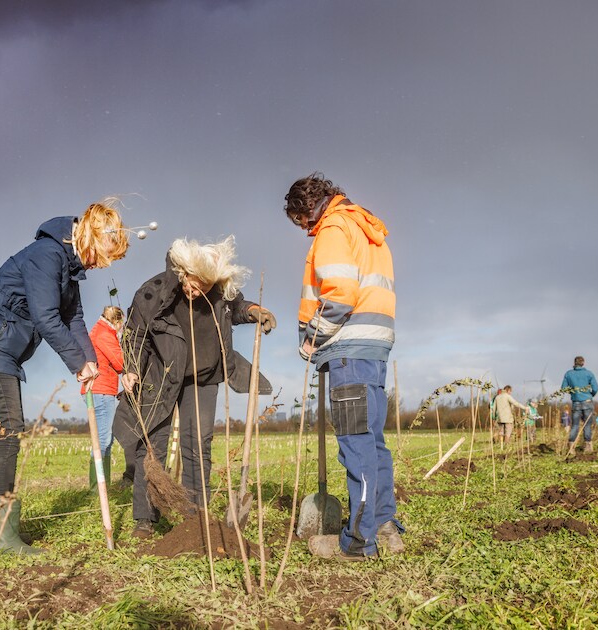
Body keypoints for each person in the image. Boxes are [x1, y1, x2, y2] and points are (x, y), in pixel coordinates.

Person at [0, 201, 130, 554]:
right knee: (8, 433)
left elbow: (73, 317)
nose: (98, 265)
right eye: (102, 256)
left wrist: (91, 362)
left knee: (9, 432)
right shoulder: (47, 255)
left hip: (2, 349)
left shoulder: (69, 263)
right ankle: (0, 534)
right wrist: (77, 364)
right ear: (91, 235)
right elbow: (47, 318)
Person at [112, 236, 275, 539]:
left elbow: (237, 305)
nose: (194, 290)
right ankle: (146, 519)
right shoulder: (154, 292)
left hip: (204, 377)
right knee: (152, 446)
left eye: (203, 286)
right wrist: (132, 369)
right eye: (191, 282)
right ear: (182, 271)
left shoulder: (219, 292)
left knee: (198, 444)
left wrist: (254, 311)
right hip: (160, 375)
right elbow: (135, 334)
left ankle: (194, 515)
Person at [282, 172, 401, 561]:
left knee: (356, 444)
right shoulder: (365, 228)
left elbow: (340, 292)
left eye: (302, 221)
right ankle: (385, 527)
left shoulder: (333, 228)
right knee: (373, 441)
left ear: (309, 207)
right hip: (375, 346)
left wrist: (313, 338)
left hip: (348, 347)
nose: (305, 230)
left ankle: (359, 542)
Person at [82, 305, 124, 491]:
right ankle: (97, 487)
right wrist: (121, 342)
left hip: (99, 390)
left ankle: (101, 485)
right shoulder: (106, 334)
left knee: (103, 438)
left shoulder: (98, 330)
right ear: (117, 321)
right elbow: (120, 362)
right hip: (102, 390)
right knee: (103, 440)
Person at [561, 356, 598, 452]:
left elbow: (563, 388)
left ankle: (571, 447)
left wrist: (574, 393)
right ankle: (588, 446)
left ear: (574, 363)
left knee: (575, 425)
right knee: (587, 424)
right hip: (587, 402)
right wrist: (590, 394)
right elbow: (595, 388)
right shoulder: (589, 374)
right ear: (583, 363)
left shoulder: (568, 374)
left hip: (576, 402)